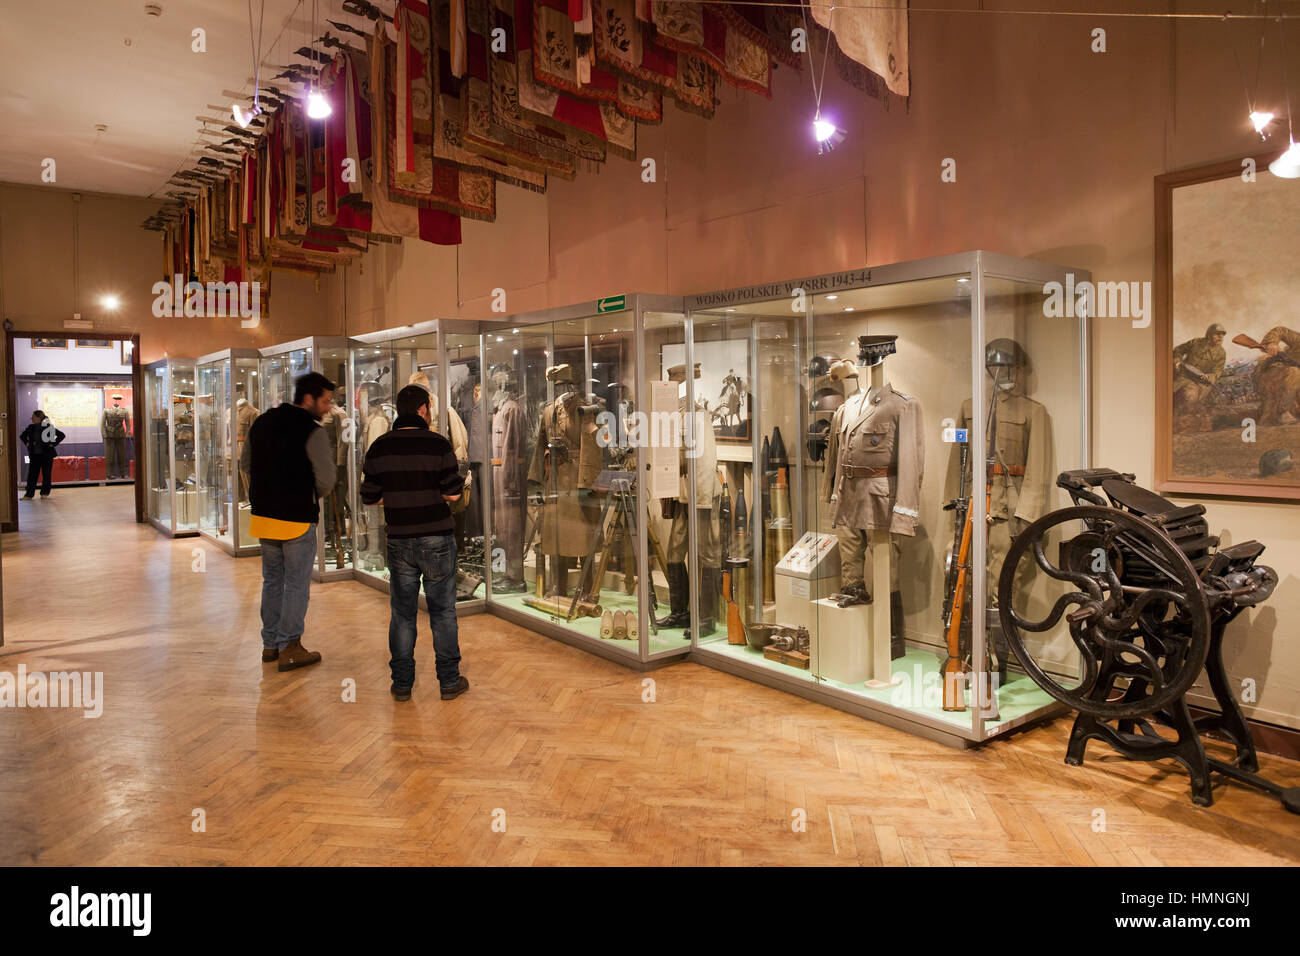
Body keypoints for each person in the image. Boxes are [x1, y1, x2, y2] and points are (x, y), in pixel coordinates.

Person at [360, 383, 468, 702]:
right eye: (430, 407)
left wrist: (396, 495)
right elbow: (453, 493)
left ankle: (403, 683)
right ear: (423, 409)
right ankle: (449, 681)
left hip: (399, 539)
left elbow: (370, 498)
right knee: (443, 612)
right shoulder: (437, 444)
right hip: (436, 537)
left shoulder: (380, 447)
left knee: (403, 613)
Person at [242, 372, 336, 671]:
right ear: (308, 399)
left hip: (264, 518)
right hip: (296, 520)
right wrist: (307, 495)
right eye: (325, 401)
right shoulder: (312, 431)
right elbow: (326, 480)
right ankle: (290, 646)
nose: (328, 408)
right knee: (296, 585)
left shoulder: (262, 423)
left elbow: (245, 464)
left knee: (272, 581)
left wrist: (263, 493)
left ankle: (270, 644)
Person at [1172, 323, 1226, 425]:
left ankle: (1181, 422)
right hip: (1183, 375)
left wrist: (1208, 376)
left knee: (1192, 398)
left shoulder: (1221, 353)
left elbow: (1218, 371)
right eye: (1217, 334)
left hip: (1200, 381)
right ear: (1209, 335)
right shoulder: (1196, 342)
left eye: (1222, 334)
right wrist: (1177, 361)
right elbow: (1178, 350)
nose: (1220, 337)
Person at [19, 410, 66, 499]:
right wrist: (27, 443)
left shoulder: (48, 427)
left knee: (46, 474)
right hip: (34, 455)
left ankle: (44, 493)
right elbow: (22, 436)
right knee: (32, 475)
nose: (31, 418)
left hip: (47, 455)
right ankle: (29, 494)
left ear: (38, 418)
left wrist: (53, 444)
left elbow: (61, 435)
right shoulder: (31, 427)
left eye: (33, 416)